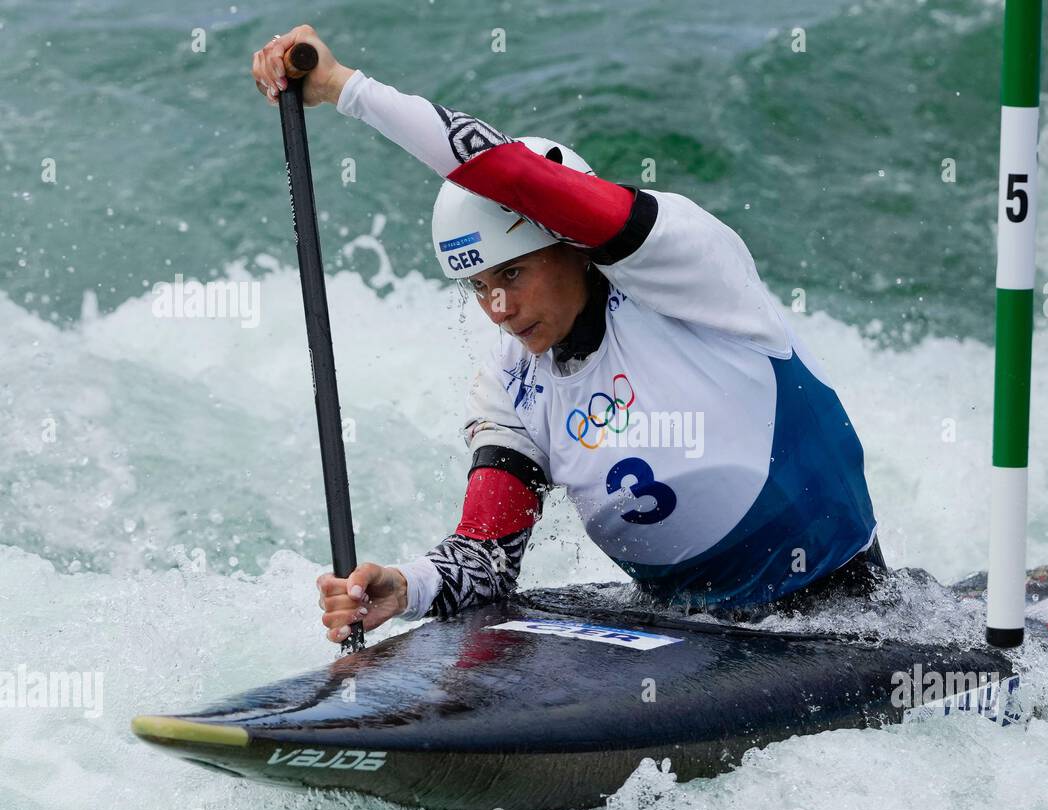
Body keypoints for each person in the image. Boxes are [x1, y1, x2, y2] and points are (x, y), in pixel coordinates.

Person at [250, 25, 885, 644]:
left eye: (514, 272)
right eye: (477, 285)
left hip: (840, 612)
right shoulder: (510, 381)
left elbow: (517, 177)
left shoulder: (686, 269)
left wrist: (343, 87)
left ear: (573, 245)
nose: (497, 306)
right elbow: (487, 559)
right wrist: (403, 587)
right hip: (683, 631)